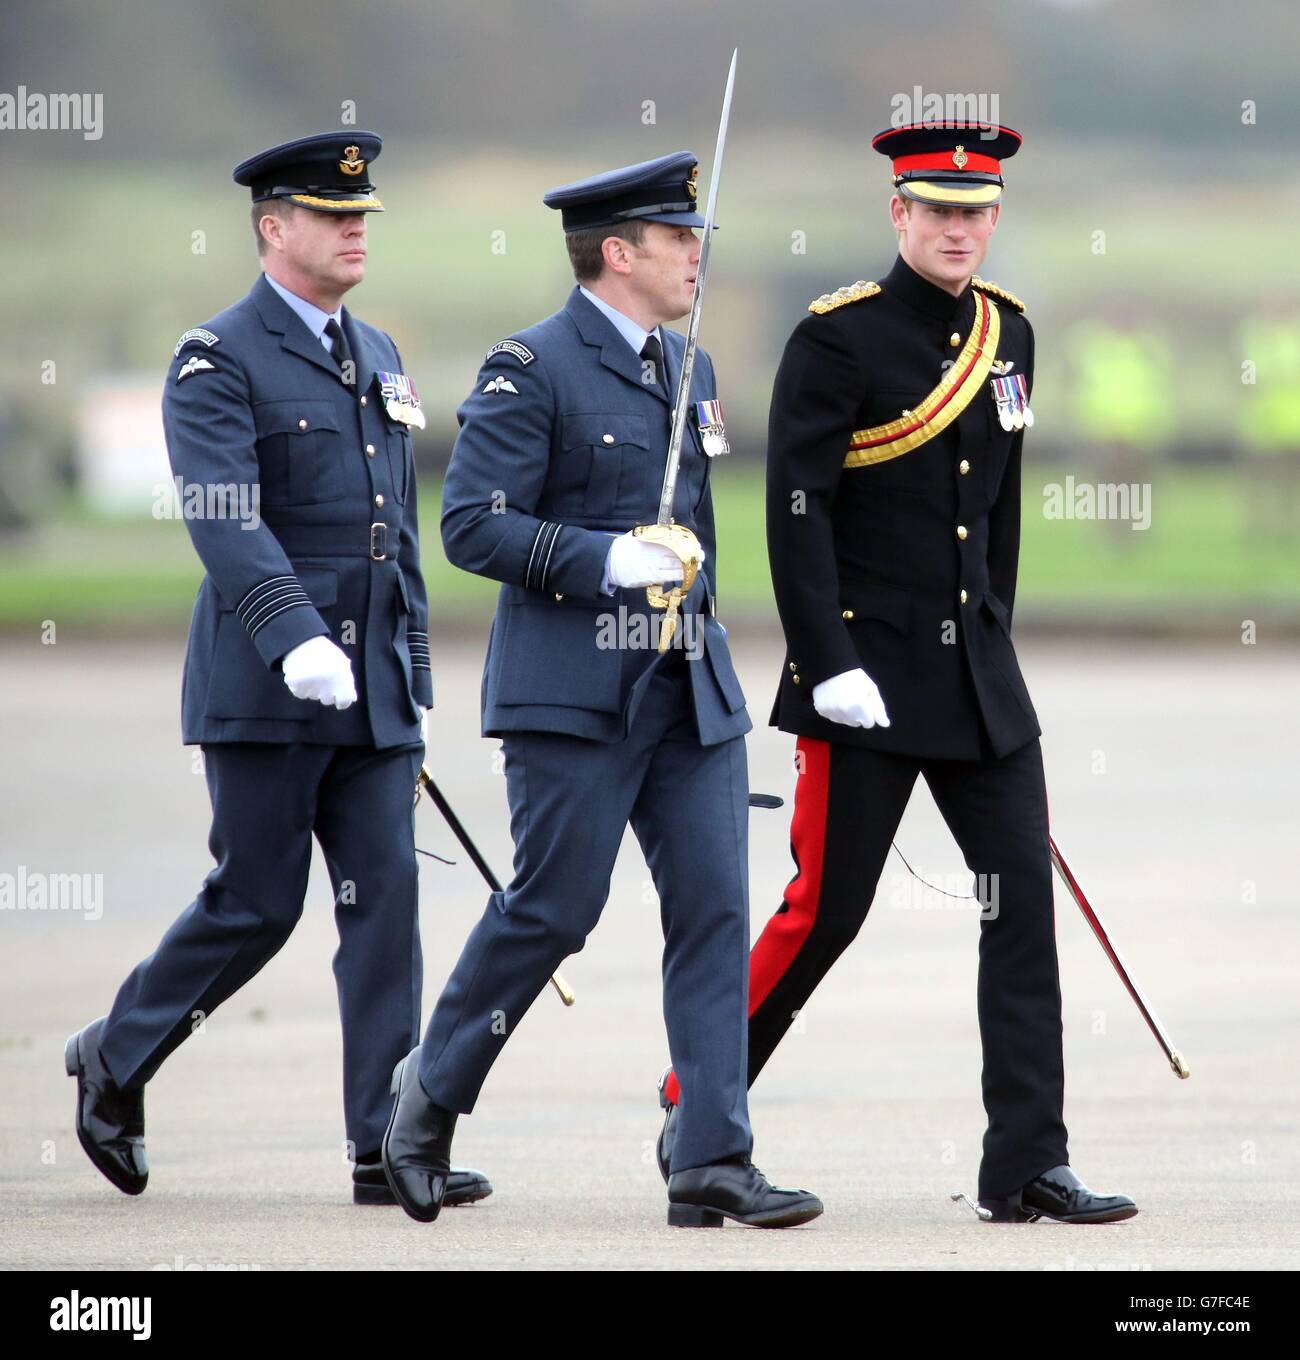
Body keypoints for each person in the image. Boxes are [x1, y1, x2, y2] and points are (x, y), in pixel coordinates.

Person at [656, 121, 1137, 1225]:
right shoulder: (839, 340)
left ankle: (1025, 1161)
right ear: (898, 215)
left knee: (1019, 913)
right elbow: (795, 507)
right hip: (861, 680)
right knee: (824, 914)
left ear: (993, 219)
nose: (958, 229)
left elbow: (998, 506)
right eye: (938, 211)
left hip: (975, 683)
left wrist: (996, 639)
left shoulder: (1009, 333)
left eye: (976, 213)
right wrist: (824, 660)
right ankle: (696, 1103)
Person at [381, 151, 822, 1230]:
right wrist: (608, 559)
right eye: (678, 242)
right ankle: (427, 1097)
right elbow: (471, 524)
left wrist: (684, 585)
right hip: (574, 697)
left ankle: (711, 1151)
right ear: (618, 253)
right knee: (554, 909)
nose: (695, 257)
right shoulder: (529, 368)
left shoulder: (694, 369)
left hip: (688, 693)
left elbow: (702, 533)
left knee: (715, 913)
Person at [64, 131, 490, 1209]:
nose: (356, 230)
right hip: (269, 683)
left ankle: (383, 1143)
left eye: (362, 217)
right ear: (272, 228)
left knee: (385, 905)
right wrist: (294, 632)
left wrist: (412, 677)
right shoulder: (218, 355)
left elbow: (395, 532)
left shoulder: (381, 352)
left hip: (373, 694)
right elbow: (223, 513)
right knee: (257, 901)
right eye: (332, 215)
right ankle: (116, 1053)